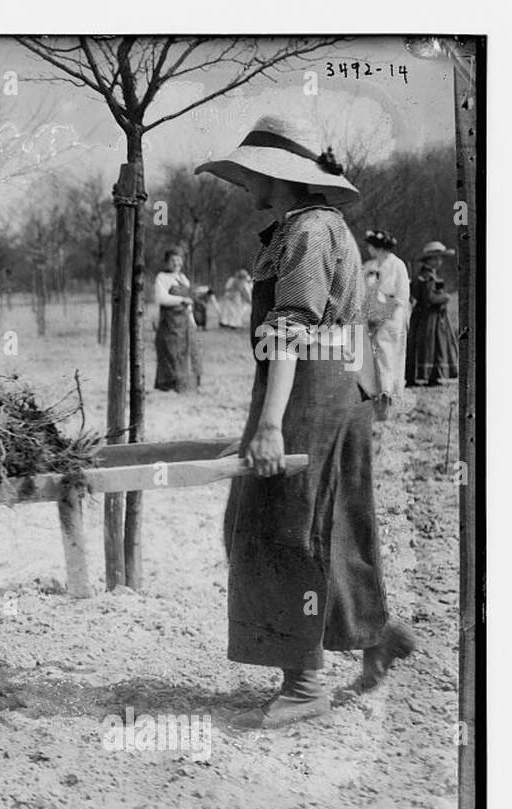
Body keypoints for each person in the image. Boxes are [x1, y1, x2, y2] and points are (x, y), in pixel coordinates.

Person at [195, 115, 415, 728]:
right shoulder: (323, 228)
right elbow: (354, 318)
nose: (244, 185)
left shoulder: (308, 235)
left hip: (309, 397)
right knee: (335, 522)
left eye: (250, 175)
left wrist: (269, 426)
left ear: (277, 178)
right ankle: (374, 632)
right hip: (339, 389)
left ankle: (306, 680)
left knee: (280, 522)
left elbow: (290, 333)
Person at [360, 230, 410, 415]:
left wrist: (383, 312)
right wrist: (370, 312)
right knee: (371, 356)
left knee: (388, 355)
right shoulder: (369, 266)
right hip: (370, 315)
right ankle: (374, 395)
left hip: (391, 316)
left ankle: (388, 396)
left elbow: (402, 296)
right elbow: (361, 290)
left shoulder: (398, 265)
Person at [405, 240, 459, 387]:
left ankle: (430, 375)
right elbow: (429, 298)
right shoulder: (427, 277)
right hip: (429, 318)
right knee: (430, 345)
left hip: (427, 316)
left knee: (431, 345)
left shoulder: (426, 276)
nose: (439, 261)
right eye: (436, 258)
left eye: (440, 258)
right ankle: (428, 376)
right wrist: (445, 298)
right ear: (429, 260)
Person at [153, 247, 198, 391]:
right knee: (171, 352)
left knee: (187, 352)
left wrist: (192, 319)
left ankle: (184, 384)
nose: (176, 263)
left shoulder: (183, 278)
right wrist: (181, 300)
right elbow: (161, 298)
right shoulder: (162, 277)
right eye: (173, 260)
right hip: (170, 322)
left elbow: (189, 301)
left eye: (179, 260)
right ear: (166, 262)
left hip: (184, 321)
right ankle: (169, 384)